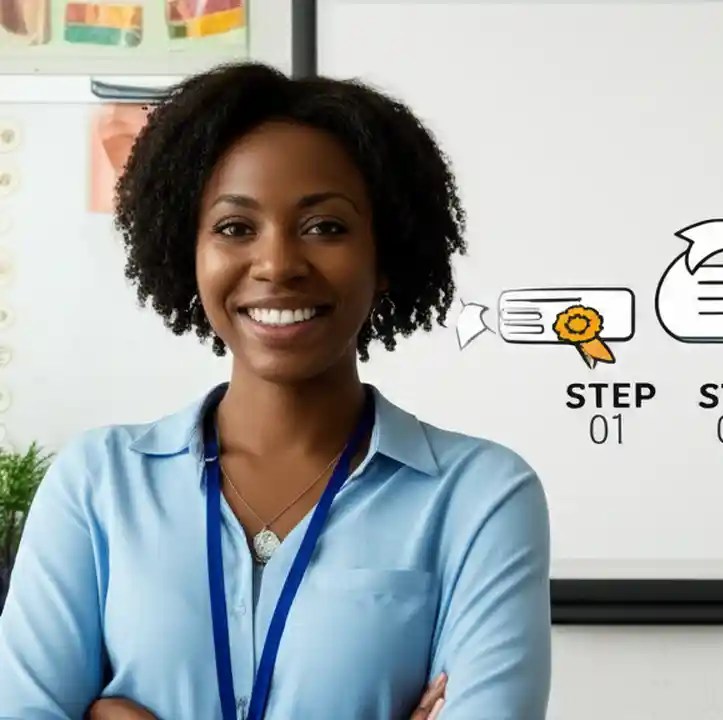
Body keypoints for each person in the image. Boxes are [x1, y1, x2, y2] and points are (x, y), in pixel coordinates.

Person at [0, 62, 552, 719]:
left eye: (326, 227)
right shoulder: (97, 484)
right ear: (187, 252)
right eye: (235, 228)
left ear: (385, 256)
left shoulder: (481, 497)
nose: (278, 265)